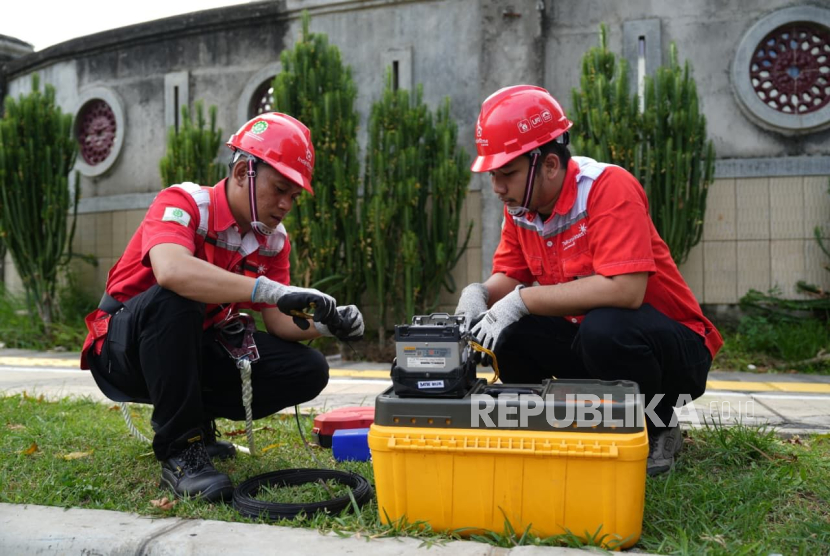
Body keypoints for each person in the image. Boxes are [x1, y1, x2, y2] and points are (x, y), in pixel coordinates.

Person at [80, 113, 364, 501]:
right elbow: (171, 271)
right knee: (178, 297)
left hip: (187, 350)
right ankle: (182, 451)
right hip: (120, 352)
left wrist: (329, 324)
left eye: (294, 197)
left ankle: (196, 423)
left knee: (308, 369)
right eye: (279, 188)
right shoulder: (184, 203)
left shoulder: (274, 243)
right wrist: (271, 290)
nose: (285, 205)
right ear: (245, 170)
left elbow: (280, 323)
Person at [455, 85, 722, 475]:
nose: (497, 187)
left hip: (674, 353)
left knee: (606, 326)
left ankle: (656, 424)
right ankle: (539, 424)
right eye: (494, 174)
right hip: (589, 342)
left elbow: (625, 290)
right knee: (511, 329)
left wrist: (523, 299)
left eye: (507, 173)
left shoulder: (607, 188)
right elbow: (509, 277)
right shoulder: (522, 209)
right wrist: (478, 295)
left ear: (548, 164)